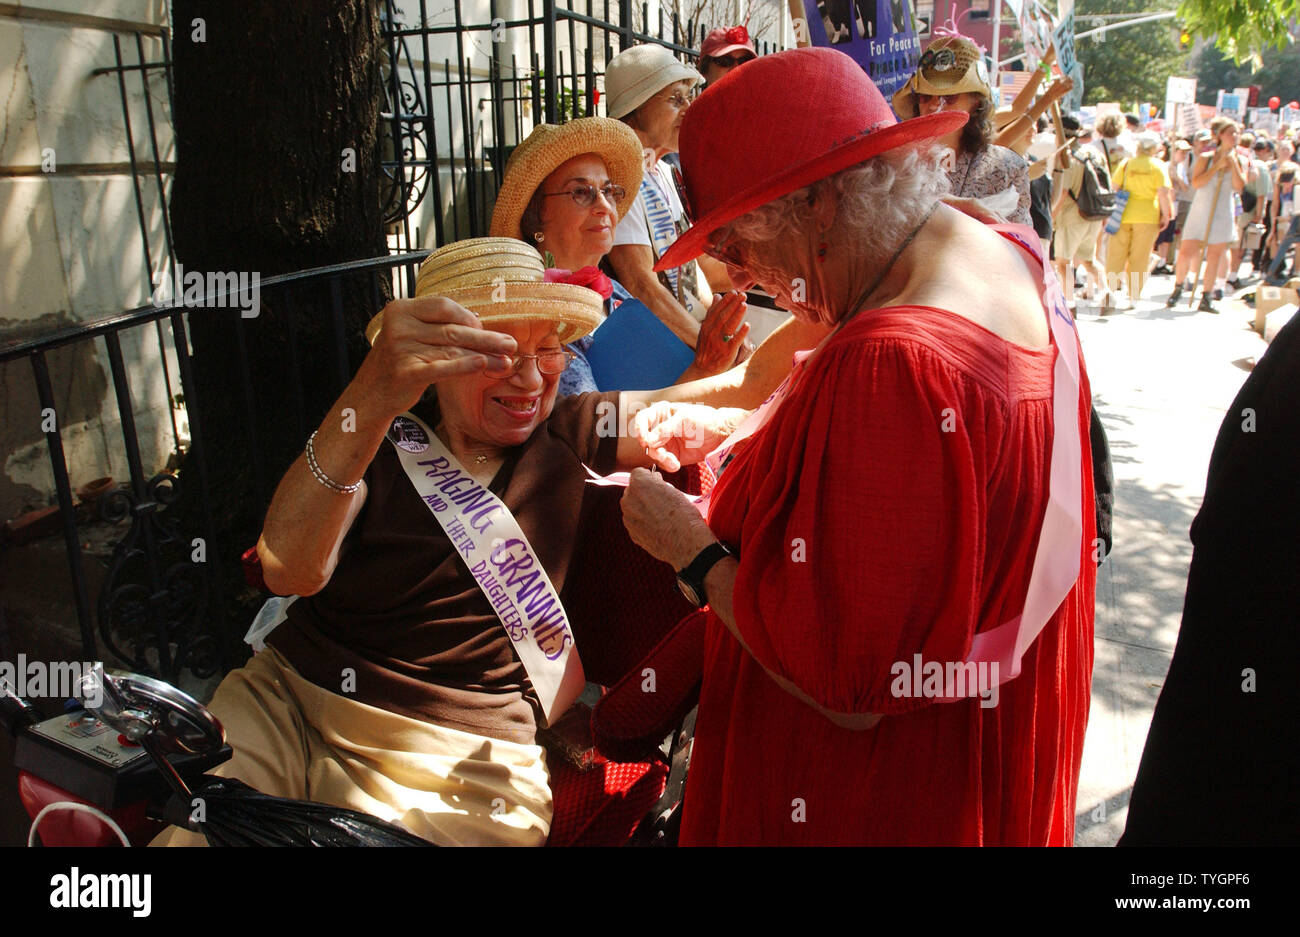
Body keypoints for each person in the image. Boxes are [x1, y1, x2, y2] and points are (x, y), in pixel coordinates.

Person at [152, 236, 824, 848]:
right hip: (290, 705)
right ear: (431, 363)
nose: (529, 379)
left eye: (546, 349)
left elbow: (739, 393)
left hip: (463, 761)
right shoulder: (375, 440)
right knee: (193, 835)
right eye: (496, 352)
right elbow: (286, 566)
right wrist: (371, 392)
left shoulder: (570, 428)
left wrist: (833, 286)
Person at [620, 48, 1097, 845]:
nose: (737, 276)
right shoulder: (990, 246)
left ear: (822, 205)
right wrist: (744, 427)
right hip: (984, 728)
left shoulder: (891, 363)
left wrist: (692, 552)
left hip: (885, 784)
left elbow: (846, 682)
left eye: (735, 242)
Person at [489, 117, 748, 393]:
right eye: (581, 192)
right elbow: (598, 431)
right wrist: (706, 368)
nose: (603, 205)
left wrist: (723, 359)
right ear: (536, 217)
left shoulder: (614, 293)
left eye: (609, 191)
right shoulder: (532, 314)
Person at [604, 45, 739, 351]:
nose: (689, 109)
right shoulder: (619, 176)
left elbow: (698, 270)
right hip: (661, 354)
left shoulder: (663, 172)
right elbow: (641, 286)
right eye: (676, 99)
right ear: (634, 109)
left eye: (688, 98)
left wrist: (771, 264)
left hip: (690, 342)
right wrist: (710, 349)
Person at [892, 33, 1032, 226]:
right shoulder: (897, 164)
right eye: (925, 97)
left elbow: (1022, 247)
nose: (934, 106)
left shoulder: (1008, 168)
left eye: (948, 98)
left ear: (976, 103)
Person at [1168, 117, 1249, 311]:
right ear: (1220, 135)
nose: (1235, 136)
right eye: (1230, 132)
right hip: (1202, 208)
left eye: (1237, 132)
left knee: (1215, 254)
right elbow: (1197, 183)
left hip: (1223, 210)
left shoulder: (1241, 160)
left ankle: (1207, 296)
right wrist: (1216, 167)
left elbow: (1240, 187)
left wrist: (1233, 164)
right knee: (1187, 250)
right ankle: (1178, 288)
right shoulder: (1206, 157)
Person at [1104, 131, 1173, 309]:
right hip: (1147, 215)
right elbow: (1163, 194)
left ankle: (1110, 291)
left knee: (1116, 254)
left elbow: (1114, 187)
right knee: (1140, 256)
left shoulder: (1127, 164)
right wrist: (1166, 215)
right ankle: (1133, 295)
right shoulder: (1158, 166)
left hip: (1122, 213)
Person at [1051, 114, 1112, 311]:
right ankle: (1107, 293)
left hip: (1071, 217)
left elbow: (1063, 192)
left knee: (1063, 261)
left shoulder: (1065, 157)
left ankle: (1069, 303)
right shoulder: (1094, 153)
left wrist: (1051, 216)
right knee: (1088, 259)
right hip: (1093, 214)